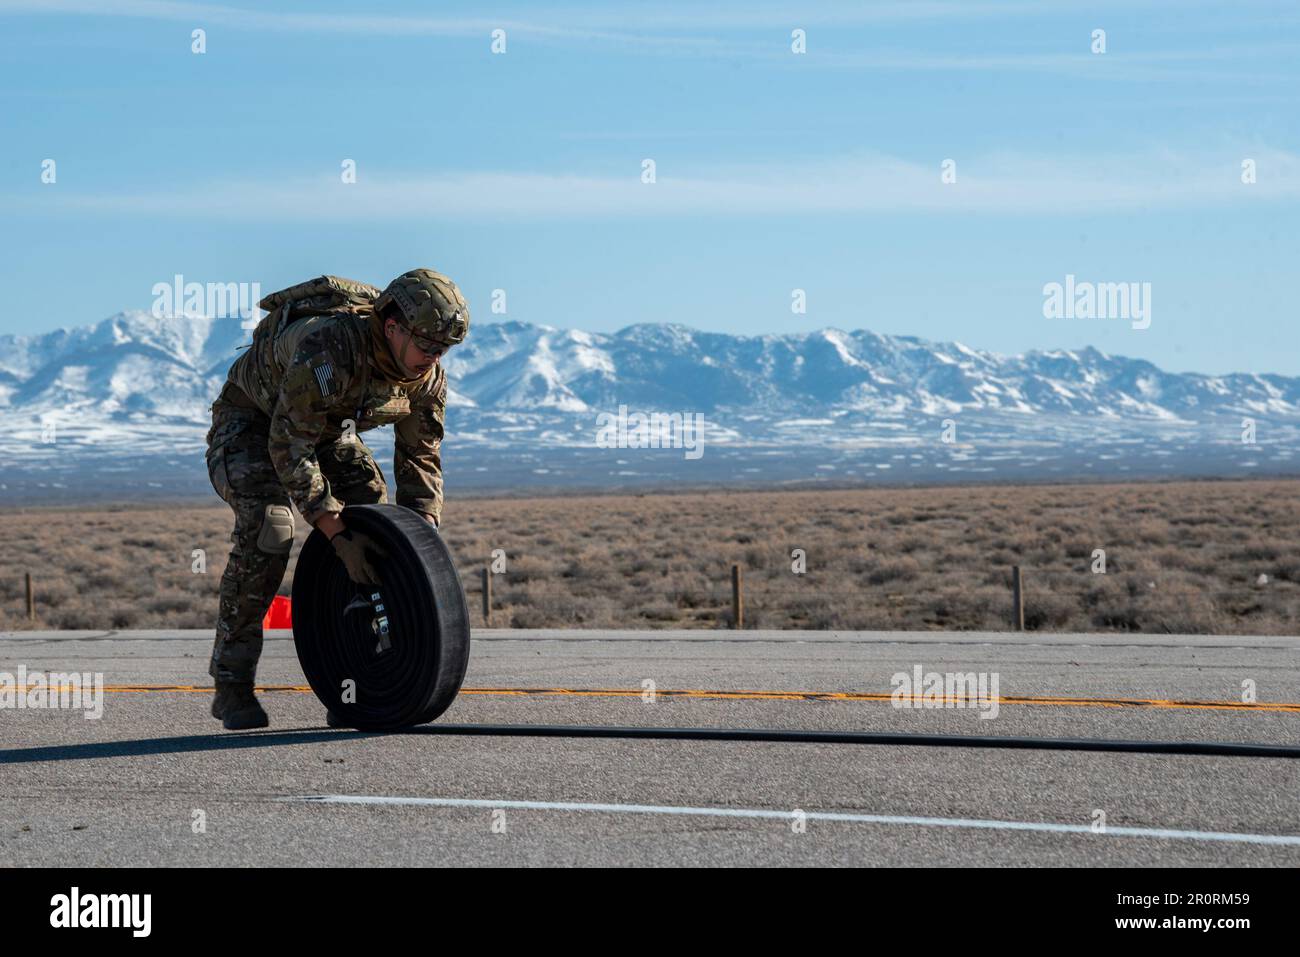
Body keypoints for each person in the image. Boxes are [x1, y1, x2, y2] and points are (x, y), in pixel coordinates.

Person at [204, 269, 469, 729]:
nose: (433, 357)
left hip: (327, 432)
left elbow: (420, 457)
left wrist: (419, 536)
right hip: (252, 425)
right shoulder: (329, 347)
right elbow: (288, 446)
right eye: (426, 345)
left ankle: (355, 682)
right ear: (392, 328)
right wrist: (333, 531)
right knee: (270, 528)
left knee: (376, 519)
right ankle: (233, 684)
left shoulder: (425, 377)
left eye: (441, 349)